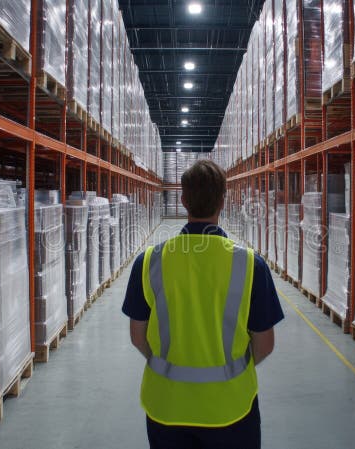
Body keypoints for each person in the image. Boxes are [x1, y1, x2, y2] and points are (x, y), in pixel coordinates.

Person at [122, 159, 284, 449]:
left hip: (167, 406)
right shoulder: (250, 265)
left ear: (183, 200)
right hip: (231, 408)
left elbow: (137, 336)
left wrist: (165, 365)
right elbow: (265, 345)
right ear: (224, 200)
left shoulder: (149, 262)